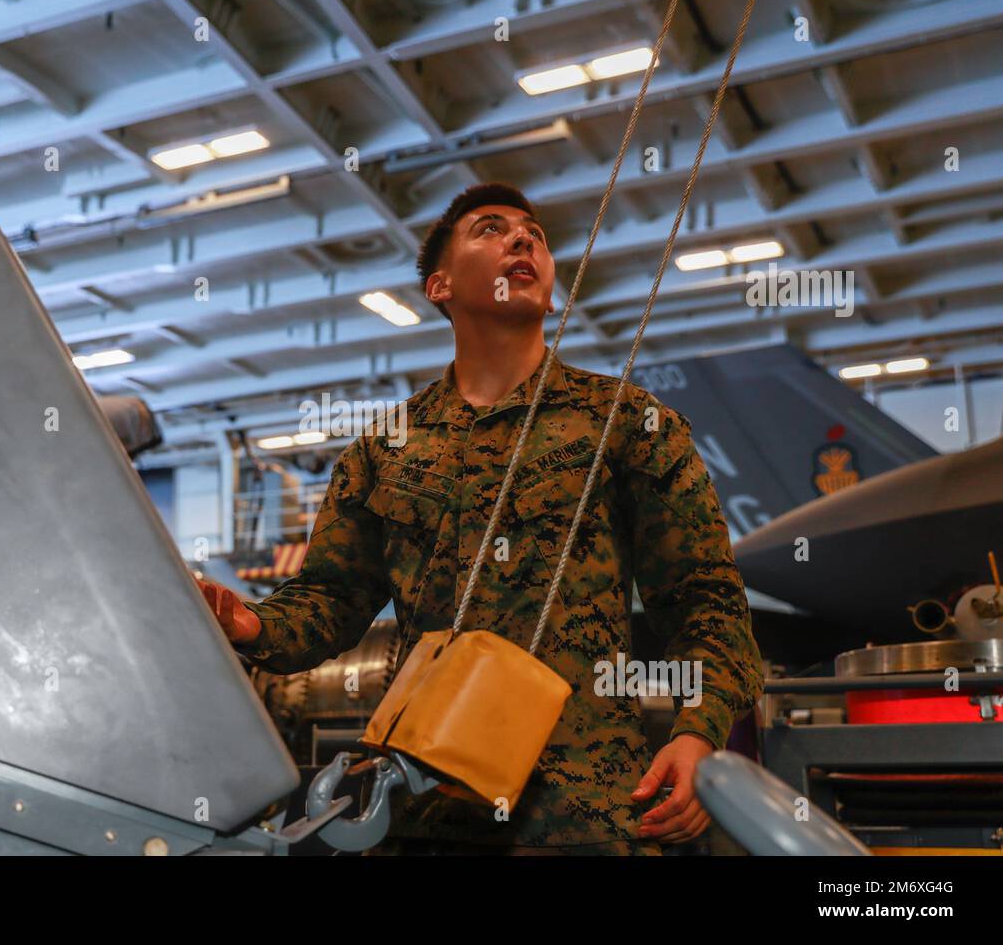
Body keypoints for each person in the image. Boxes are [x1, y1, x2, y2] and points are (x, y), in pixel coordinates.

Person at [199, 182, 764, 855]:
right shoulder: (384, 451)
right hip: (424, 802)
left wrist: (699, 734)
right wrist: (252, 622)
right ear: (440, 286)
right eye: (490, 230)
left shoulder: (627, 424)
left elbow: (705, 601)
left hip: (583, 809)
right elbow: (330, 600)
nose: (524, 239)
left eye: (535, 234)